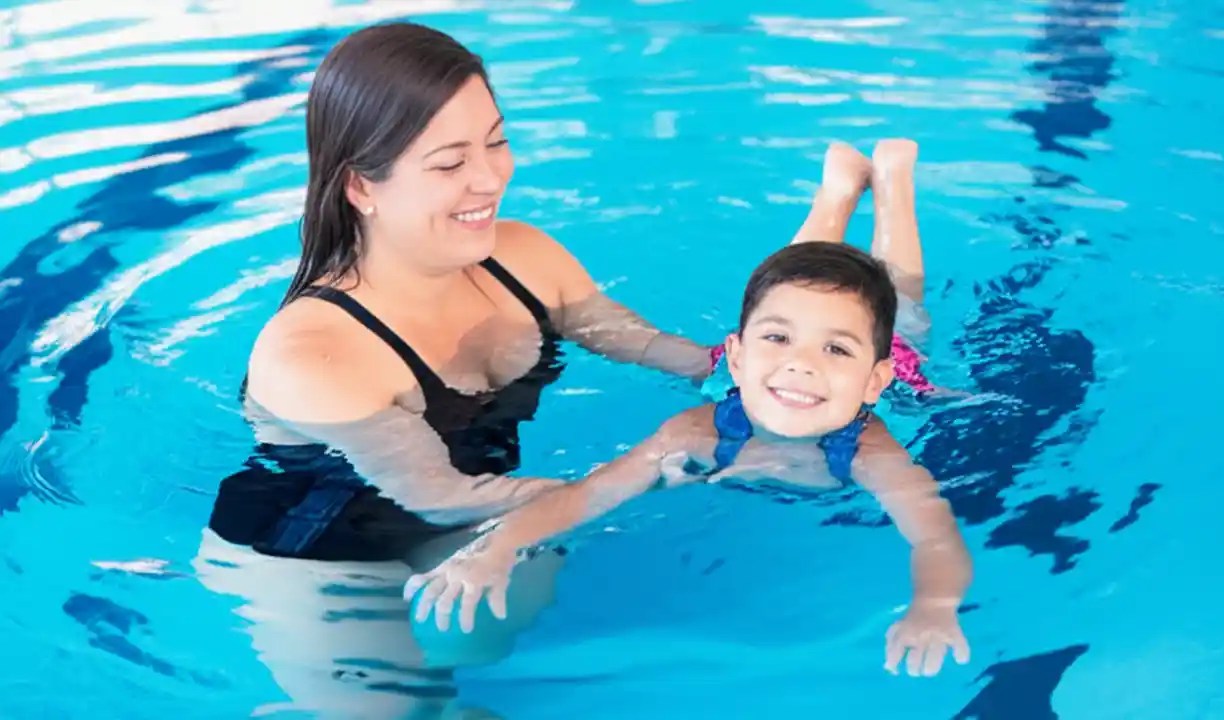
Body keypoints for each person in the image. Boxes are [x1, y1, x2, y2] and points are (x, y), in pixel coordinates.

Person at [191, 19, 943, 718]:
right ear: (360, 186)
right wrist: (641, 474)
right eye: (450, 163)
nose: (489, 180)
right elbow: (439, 492)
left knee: (484, 640)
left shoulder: (520, 257)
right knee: (399, 708)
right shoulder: (316, 351)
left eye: (495, 143)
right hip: (315, 556)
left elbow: (650, 346)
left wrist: (779, 376)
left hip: (477, 518)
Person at [404, 240, 972, 679]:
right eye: (776, 341)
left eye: (835, 351)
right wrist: (499, 547)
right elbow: (587, 494)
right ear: (738, 358)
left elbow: (935, 538)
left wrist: (934, 605)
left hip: (908, 366)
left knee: (902, 300)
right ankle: (838, 191)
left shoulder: (874, 452)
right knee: (805, 282)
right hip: (791, 369)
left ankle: (893, 179)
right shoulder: (696, 433)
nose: (801, 365)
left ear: (873, 382)